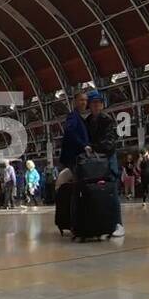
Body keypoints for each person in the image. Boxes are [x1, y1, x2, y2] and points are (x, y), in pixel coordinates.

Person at [84, 90, 125, 237]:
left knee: (111, 190)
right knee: (96, 193)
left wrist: (92, 147)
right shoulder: (87, 121)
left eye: (99, 103)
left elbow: (109, 143)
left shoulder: (107, 120)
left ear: (102, 105)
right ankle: (101, 224)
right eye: (93, 103)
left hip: (108, 160)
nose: (96, 105)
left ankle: (118, 224)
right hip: (95, 162)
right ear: (89, 106)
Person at [59, 91, 90, 182]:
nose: (84, 103)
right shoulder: (73, 116)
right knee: (78, 181)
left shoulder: (79, 117)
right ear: (75, 102)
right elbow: (69, 132)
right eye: (81, 100)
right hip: (74, 157)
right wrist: (83, 145)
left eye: (85, 100)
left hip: (75, 157)